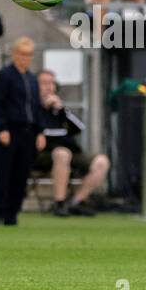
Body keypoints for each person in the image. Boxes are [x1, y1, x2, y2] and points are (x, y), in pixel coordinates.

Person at [36, 69, 109, 216]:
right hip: (45, 155)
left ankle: (76, 201)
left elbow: (79, 128)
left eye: (51, 83)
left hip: (70, 152)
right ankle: (60, 203)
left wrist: (61, 109)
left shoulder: (59, 111)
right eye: (44, 83)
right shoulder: (32, 108)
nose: (49, 87)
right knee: (62, 154)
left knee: (102, 161)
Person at [0, 37, 43, 226]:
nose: (25, 58)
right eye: (22, 54)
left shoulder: (33, 79)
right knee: (3, 176)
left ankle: (12, 214)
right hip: (9, 131)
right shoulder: (3, 76)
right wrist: (2, 127)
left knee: (21, 177)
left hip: (28, 133)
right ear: (14, 54)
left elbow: (36, 107)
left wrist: (40, 132)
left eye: (29, 55)